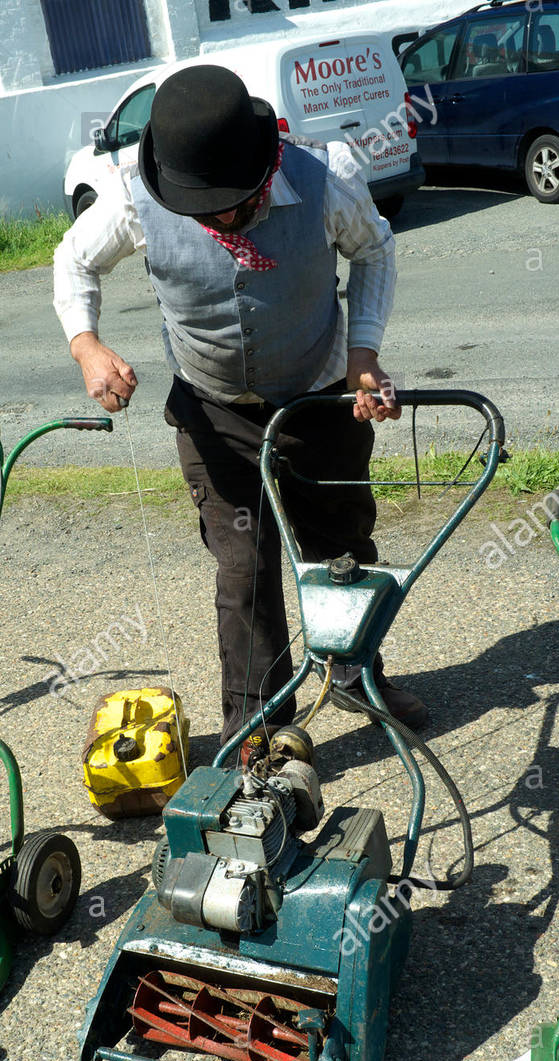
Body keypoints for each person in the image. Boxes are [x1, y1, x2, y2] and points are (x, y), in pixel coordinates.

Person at [53, 65, 427, 744]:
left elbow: (373, 249)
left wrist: (363, 355)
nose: (222, 217)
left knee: (339, 548)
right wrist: (87, 346)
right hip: (214, 410)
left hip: (321, 399)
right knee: (244, 568)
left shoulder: (323, 179)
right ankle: (259, 724)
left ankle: (351, 675)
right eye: (205, 206)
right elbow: (74, 260)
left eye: (235, 200)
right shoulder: (135, 198)